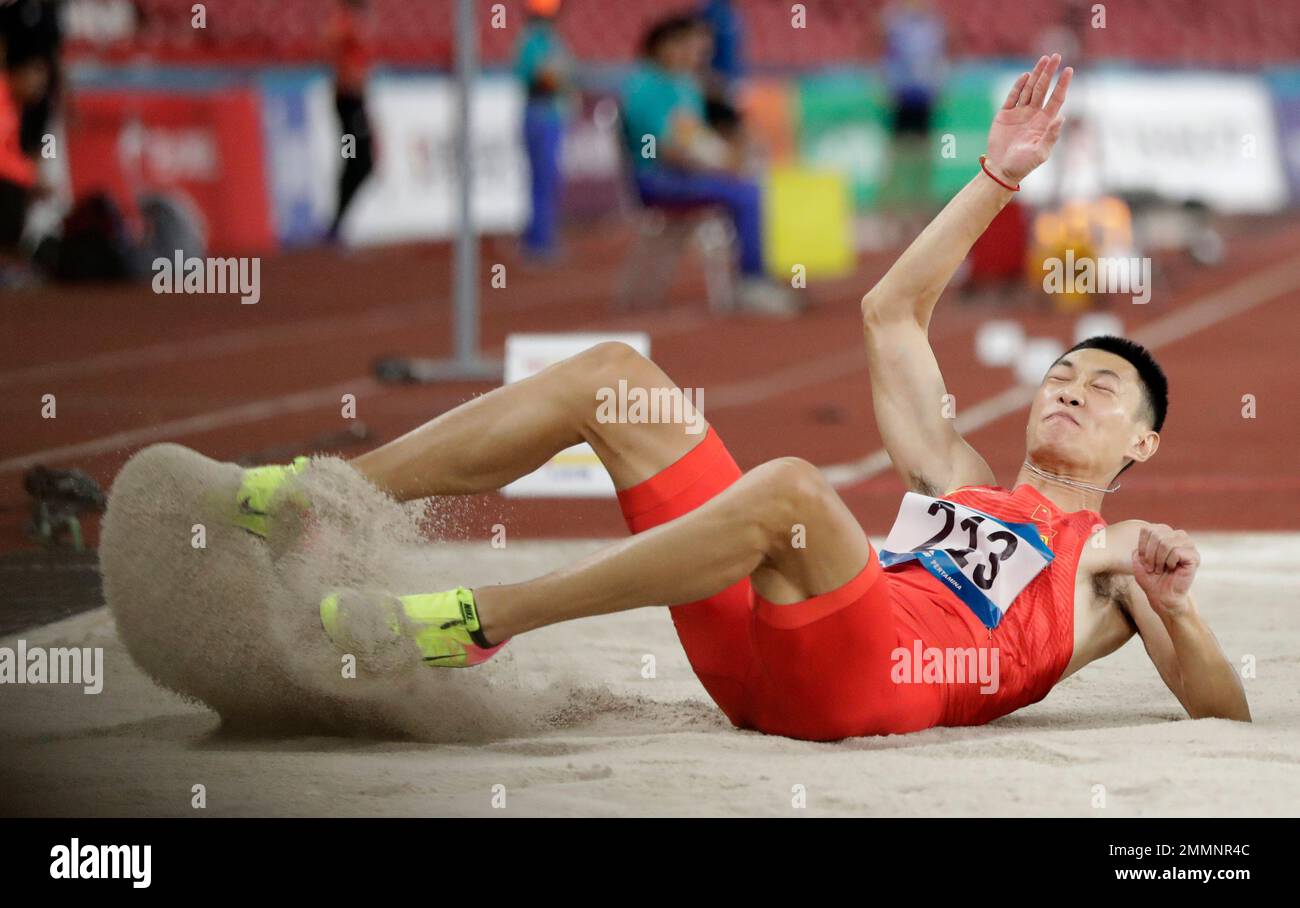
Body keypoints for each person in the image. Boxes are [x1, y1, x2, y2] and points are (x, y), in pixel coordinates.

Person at [235, 56, 1250, 738]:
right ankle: (323, 493)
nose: (1068, 390)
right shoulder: (957, 479)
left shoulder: (1116, 561)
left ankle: (484, 616)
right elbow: (891, 315)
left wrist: (1176, 610)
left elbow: (1221, 719)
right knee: (614, 380)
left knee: (796, 490)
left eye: (1101, 387)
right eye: (1059, 375)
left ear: (1142, 443)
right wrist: (994, 176)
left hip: (873, 684)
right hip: (764, 653)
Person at [620, 14, 798, 317]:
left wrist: (730, 155)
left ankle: (761, 276)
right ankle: (752, 283)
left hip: (686, 176)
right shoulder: (643, 87)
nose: (700, 55)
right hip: (657, 181)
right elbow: (662, 149)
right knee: (746, 194)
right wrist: (720, 165)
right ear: (668, 46)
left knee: (755, 185)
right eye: (694, 47)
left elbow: (697, 138)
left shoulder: (686, 85)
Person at [514, 0, 571, 261]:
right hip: (541, 116)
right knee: (543, 179)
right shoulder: (535, 41)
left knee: (546, 180)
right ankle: (538, 242)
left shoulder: (548, 39)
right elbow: (542, 78)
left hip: (549, 116)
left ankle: (540, 236)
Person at [325, 0, 374, 242]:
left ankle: (338, 221)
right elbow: (331, 43)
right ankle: (336, 223)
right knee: (354, 159)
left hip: (355, 103)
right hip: (349, 104)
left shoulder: (351, 27)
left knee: (359, 160)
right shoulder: (344, 25)